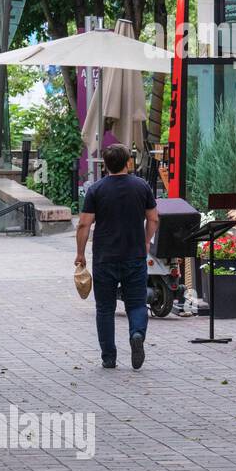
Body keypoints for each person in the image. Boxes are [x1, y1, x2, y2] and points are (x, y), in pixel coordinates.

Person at [75, 144, 159, 369]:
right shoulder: (142, 187)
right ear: (128, 163)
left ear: (105, 165)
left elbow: (84, 223)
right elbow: (153, 219)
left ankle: (109, 357)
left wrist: (80, 253)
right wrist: (146, 241)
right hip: (135, 256)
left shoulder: (96, 190)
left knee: (104, 308)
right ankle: (137, 334)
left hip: (105, 257)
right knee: (137, 304)